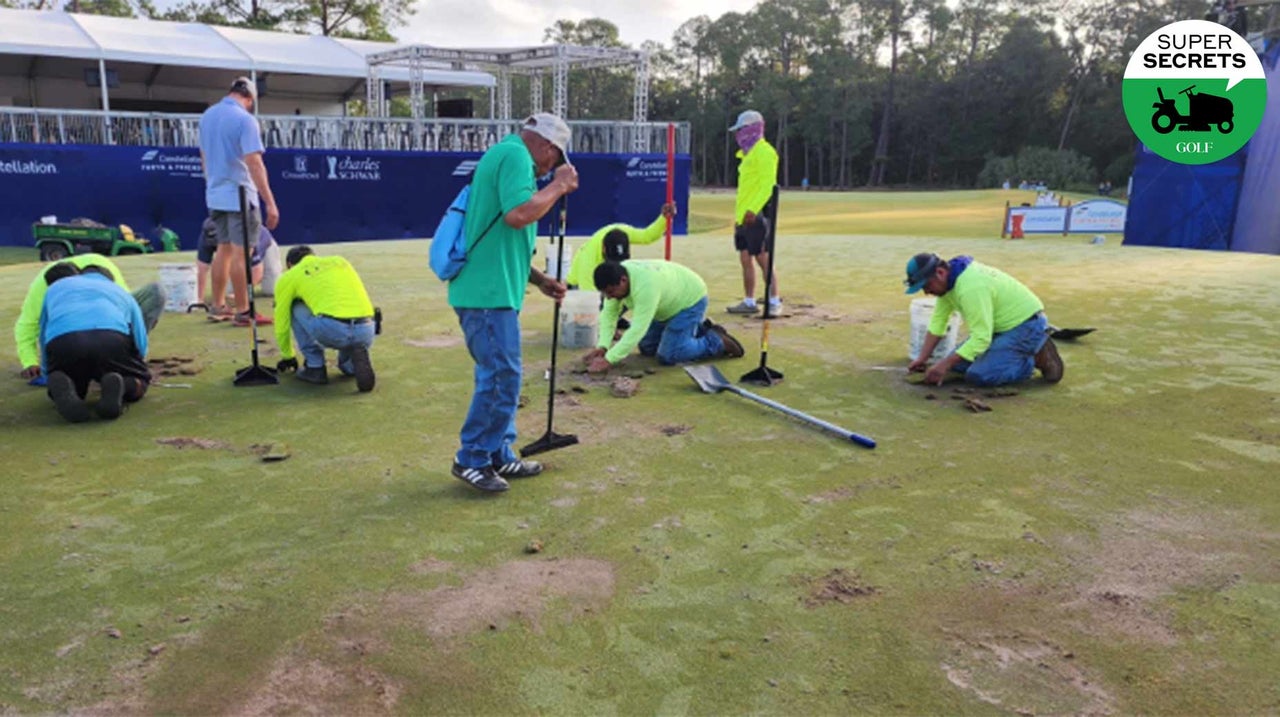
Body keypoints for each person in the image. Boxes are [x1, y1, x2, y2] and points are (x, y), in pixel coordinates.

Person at [447, 112, 579, 493]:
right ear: (546, 147)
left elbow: (502, 236)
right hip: (487, 293)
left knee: (500, 372)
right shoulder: (516, 156)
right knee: (502, 374)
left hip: (494, 289)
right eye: (555, 159)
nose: (551, 167)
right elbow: (518, 216)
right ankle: (471, 457)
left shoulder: (507, 155)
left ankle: (498, 451)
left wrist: (537, 279)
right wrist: (558, 187)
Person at [903, 252, 1063, 387]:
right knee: (957, 365)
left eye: (926, 285)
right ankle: (1010, 352)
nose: (926, 292)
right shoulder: (948, 285)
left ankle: (1034, 357)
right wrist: (922, 359)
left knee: (979, 376)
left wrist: (944, 364)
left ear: (940, 272)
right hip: (998, 328)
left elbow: (981, 338)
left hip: (1026, 325)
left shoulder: (971, 287)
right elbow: (938, 323)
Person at [199, 76, 279, 327]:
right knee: (241, 253)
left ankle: (218, 305)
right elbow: (254, 162)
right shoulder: (245, 120)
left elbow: (204, 156)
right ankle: (244, 311)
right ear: (250, 99)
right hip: (239, 194)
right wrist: (271, 202)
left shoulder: (208, 116)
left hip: (215, 193)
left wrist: (211, 185)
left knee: (222, 249)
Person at [14, 253, 163, 382]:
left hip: (72, 341)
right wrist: (29, 361)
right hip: (111, 337)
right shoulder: (42, 287)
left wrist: (47, 371)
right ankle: (118, 362)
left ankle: (118, 359)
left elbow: (128, 310)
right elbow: (28, 324)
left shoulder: (103, 271)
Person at [584, 260, 744, 373]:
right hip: (666, 304)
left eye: (611, 292)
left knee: (668, 355)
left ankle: (716, 340)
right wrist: (603, 346)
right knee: (647, 348)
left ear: (623, 280)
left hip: (690, 301)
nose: (609, 297)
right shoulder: (616, 277)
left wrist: (609, 359)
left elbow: (637, 329)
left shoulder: (646, 287)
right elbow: (609, 315)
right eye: (605, 293)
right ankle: (698, 330)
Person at [38, 263, 151, 422]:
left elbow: (43, 332)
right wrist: (139, 365)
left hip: (64, 341)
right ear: (109, 279)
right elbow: (139, 333)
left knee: (73, 379)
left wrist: (48, 370)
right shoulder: (119, 291)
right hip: (110, 338)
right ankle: (124, 385)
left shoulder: (56, 288)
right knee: (140, 381)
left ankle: (64, 382)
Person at [271, 246, 377, 392]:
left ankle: (315, 367)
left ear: (289, 264)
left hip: (332, 330)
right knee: (350, 340)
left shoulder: (290, 276)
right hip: (367, 328)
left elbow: (281, 320)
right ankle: (350, 365)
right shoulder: (340, 262)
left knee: (294, 306)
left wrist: (288, 355)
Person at [726, 109, 781, 315]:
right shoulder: (746, 156)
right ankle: (749, 302)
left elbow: (768, 186)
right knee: (745, 258)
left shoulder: (765, 152)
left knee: (762, 257)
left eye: (741, 130)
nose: (737, 135)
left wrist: (753, 210)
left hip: (755, 215)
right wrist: (740, 216)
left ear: (752, 129)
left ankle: (774, 300)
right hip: (743, 216)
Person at [565, 203, 676, 291]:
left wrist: (664, 218)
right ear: (603, 249)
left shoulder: (621, 231)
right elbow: (588, 296)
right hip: (577, 292)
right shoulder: (588, 260)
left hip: (603, 283)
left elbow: (647, 236)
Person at [196, 217, 282, 313]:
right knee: (229, 292)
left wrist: (240, 293)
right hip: (235, 256)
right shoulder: (205, 238)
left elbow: (257, 270)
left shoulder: (247, 235)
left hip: (266, 250)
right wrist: (199, 299)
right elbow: (201, 269)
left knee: (270, 290)